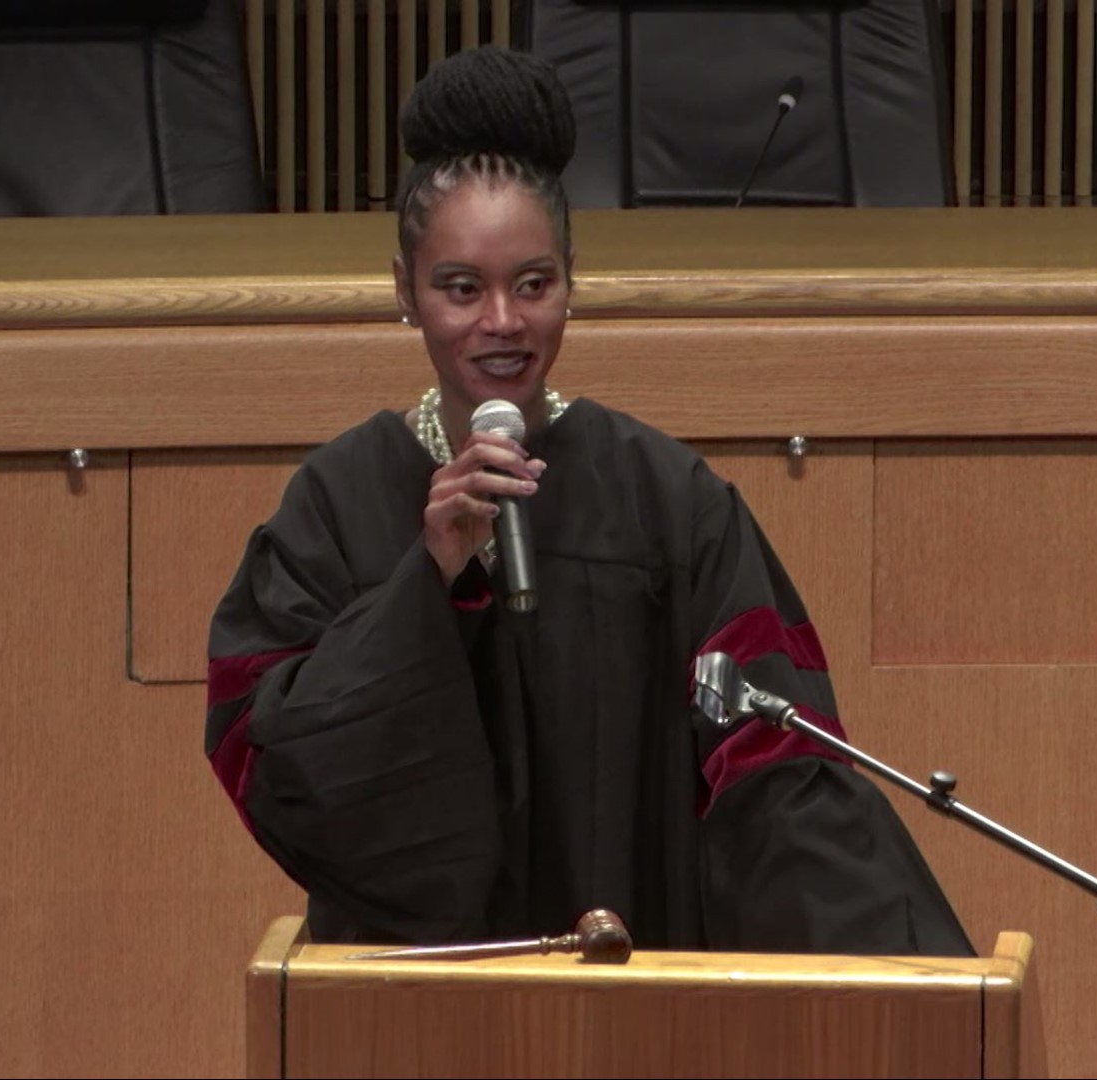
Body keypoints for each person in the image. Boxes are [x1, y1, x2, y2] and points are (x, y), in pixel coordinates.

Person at [204, 46, 974, 956]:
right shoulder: (337, 502)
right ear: (404, 294)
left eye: (535, 284)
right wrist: (431, 582)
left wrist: (905, 983)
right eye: (462, 288)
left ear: (572, 282)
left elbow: (779, 775)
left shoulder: (666, 499)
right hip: (413, 995)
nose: (503, 321)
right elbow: (279, 766)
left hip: (635, 989)